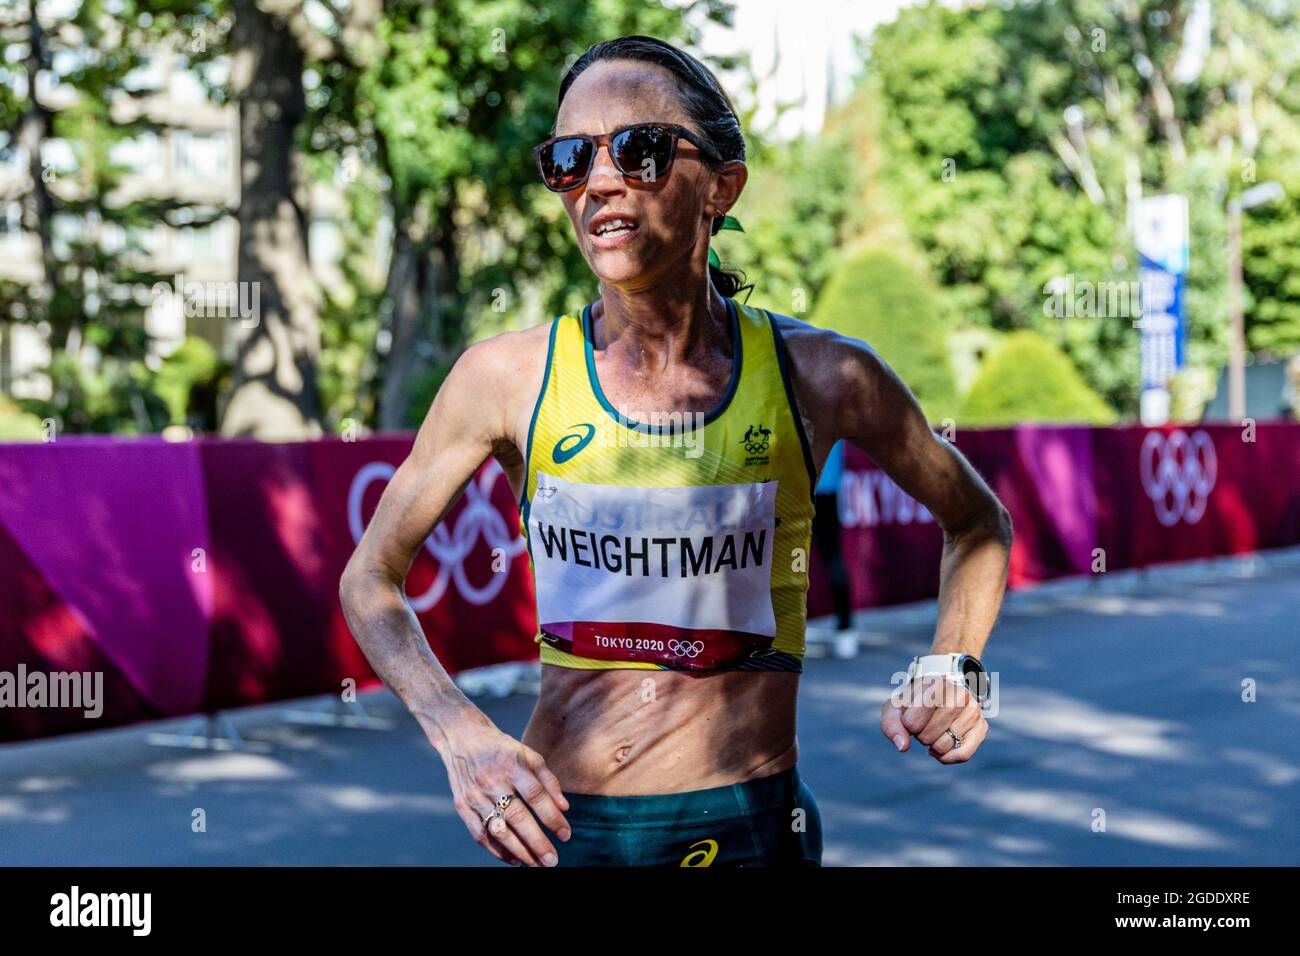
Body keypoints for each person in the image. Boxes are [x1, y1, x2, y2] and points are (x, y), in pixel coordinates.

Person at [340, 35, 1012, 868]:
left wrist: (954, 663)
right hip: (568, 835)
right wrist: (461, 734)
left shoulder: (827, 375)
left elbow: (978, 522)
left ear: (721, 187)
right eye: (567, 160)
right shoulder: (505, 379)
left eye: (640, 149)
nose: (600, 181)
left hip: (752, 832)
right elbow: (369, 578)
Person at [812, 439, 854, 632]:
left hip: (806, 491)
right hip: (827, 490)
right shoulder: (833, 409)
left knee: (790, 561)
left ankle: (845, 627)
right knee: (833, 557)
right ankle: (845, 628)